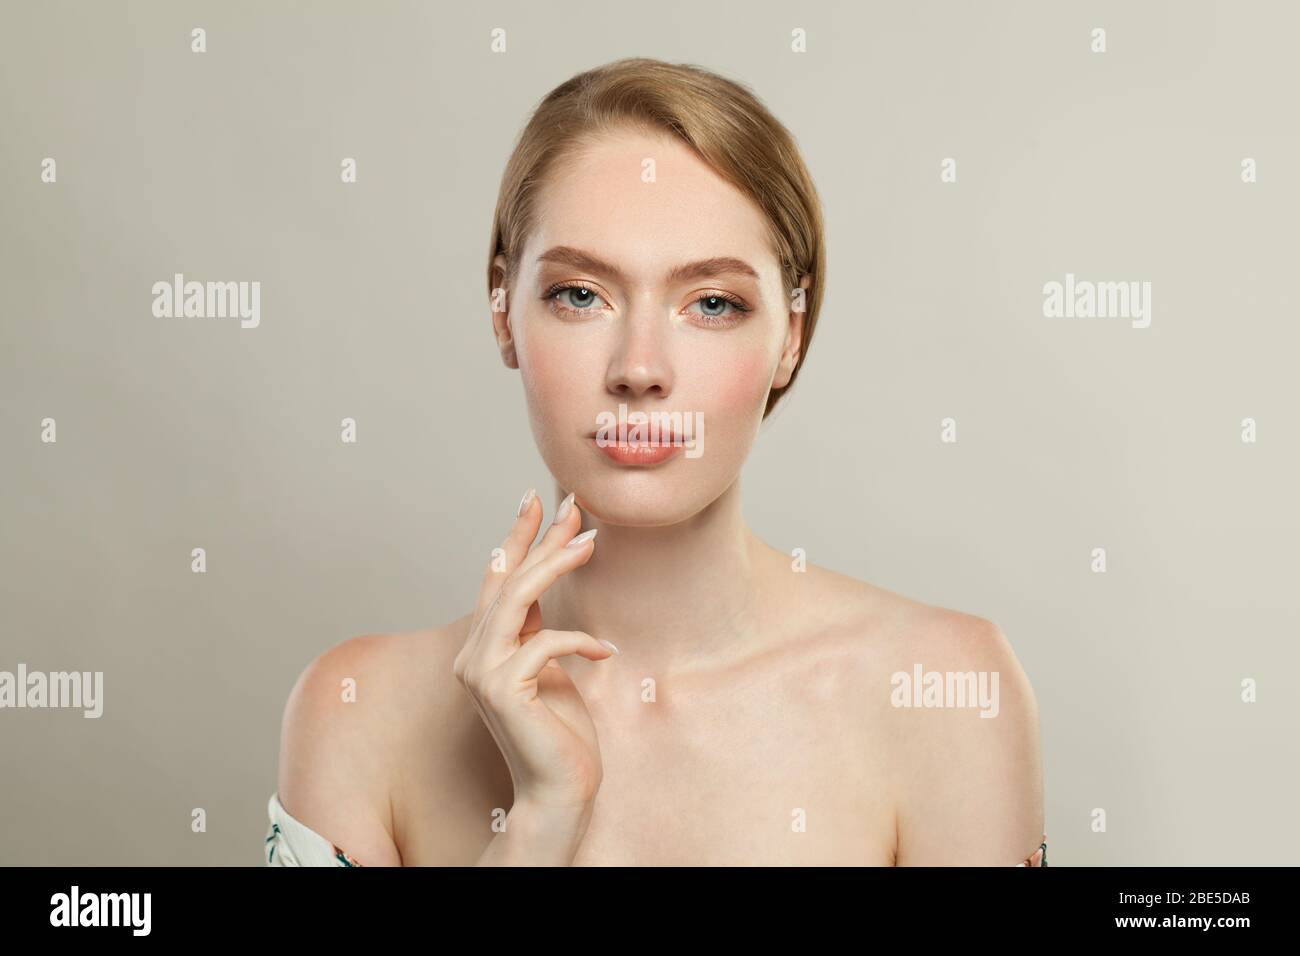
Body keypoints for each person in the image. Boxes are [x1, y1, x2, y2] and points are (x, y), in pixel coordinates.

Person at [267, 56, 1046, 867]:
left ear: (792, 335)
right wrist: (540, 817)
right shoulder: (357, 716)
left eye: (712, 303)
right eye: (580, 294)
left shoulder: (948, 692)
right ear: (502, 308)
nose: (640, 368)